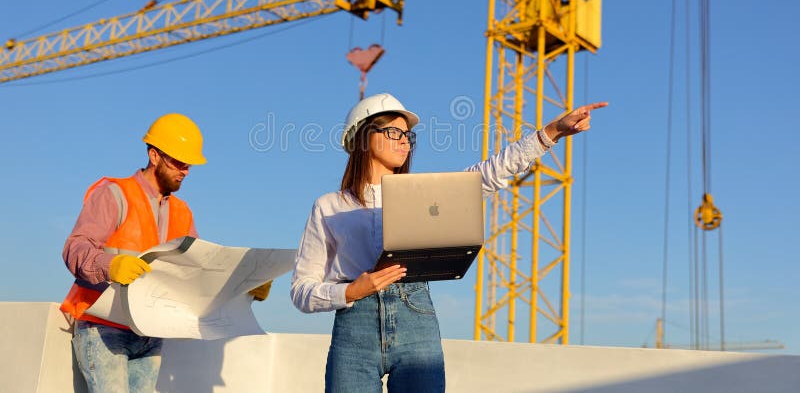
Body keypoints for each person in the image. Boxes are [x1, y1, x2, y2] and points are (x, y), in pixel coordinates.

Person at [290, 92, 608, 392]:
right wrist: (349, 291)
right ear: (363, 136)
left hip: (415, 319)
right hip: (353, 327)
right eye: (394, 133)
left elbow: (489, 174)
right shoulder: (328, 206)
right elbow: (301, 290)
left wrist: (551, 132)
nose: (405, 142)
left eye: (407, 136)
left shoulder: (424, 194)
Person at [60, 113, 271, 392]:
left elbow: (198, 275)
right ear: (154, 156)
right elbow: (75, 247)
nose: (185, 170)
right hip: (103, 328)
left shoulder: (183, 213)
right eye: (178, 161)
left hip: (150, 333)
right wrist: (111, 265)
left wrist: (245, 287)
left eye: (189, 164)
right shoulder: (114, 194)